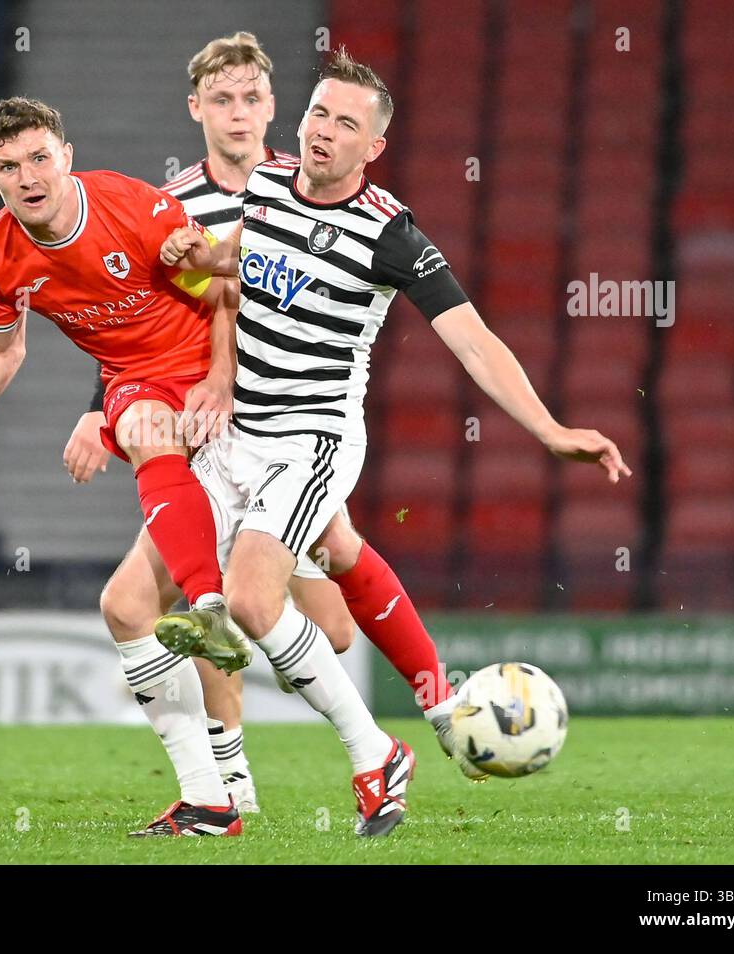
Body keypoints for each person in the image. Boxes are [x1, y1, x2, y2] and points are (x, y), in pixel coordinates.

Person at [157, 49, 632, 835]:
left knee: (243, 599)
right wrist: (201, 258)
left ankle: (366, 753)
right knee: (219, 595)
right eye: (318, 113)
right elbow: (243, 260)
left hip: (312, 439)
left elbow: (474, 340)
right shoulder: (268, 184)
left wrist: (548, 429)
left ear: (373, 146)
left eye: (347, 123)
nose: (323, 132)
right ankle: (296, 768)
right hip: (236, 434)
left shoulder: (391, 233)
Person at [0, 98, 245, 836]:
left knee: (330, 607)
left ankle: (381, 737)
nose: (28, 176)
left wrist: (220, 382)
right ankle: (214, 798)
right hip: (140, 389)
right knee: (125, 610)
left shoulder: (132, 206)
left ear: (66, 154)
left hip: (225, 381)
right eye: (8, 167)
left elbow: (225, 288)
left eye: (38, 158)